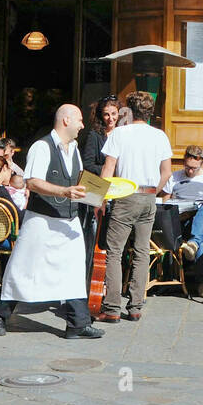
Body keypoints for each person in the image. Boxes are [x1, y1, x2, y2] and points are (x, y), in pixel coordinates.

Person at [0, 104, 102, 340]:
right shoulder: (41, 147)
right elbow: (32, 182)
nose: (83, 125)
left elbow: (79, 182)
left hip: (69, 220)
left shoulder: (74, 149)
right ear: (65, 121)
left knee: (73, 270)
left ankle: (77, 324)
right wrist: (64, 192)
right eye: (80, 120)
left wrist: (99, 197)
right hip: (40, 220)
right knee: (23, 268)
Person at [97, 91, 171, 323]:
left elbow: (108, 169)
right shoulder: (159, 135)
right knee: (141, 252)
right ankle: (136, 306)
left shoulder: (119, 133)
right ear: (150, 111)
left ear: (128, 110)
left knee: (115, 252)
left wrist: (101, 198)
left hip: (125, 195)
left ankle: (111, 308)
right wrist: (153, 191)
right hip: (148, 196)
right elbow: (167, 172)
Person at [77, 96, 120, 277]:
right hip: (96, 188)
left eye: (114, 114)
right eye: (106, 114)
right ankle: (88, 277)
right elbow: (87, 163)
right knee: (92, 235)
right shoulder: (95, 135)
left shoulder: (122, 133)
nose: (110, 118)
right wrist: (108, 169)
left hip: (118, 189)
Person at [170, 145, 203, 263]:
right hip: (180, 218)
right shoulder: (174, 176)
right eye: (187, 167)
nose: (190, 171)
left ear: (202, 163)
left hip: (201, 217)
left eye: (194, 168)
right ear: (184, 161)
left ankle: (194, 243)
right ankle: (200, 277)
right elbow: (165, 202)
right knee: (202, 232)